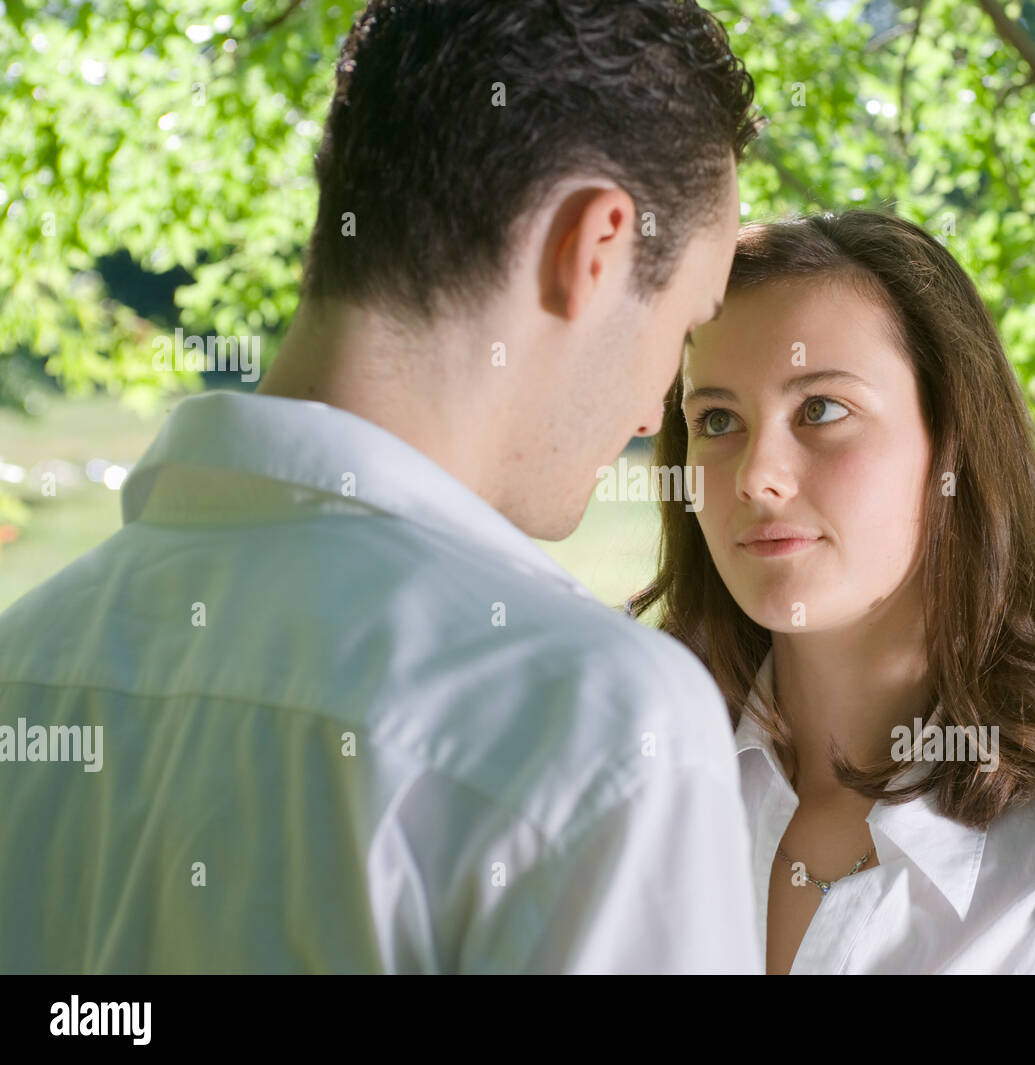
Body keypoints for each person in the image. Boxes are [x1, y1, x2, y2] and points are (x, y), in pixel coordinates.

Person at [0, 0, 765, 974]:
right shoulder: (599, 723)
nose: (655, 414)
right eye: (683, 326)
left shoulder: (25, 662)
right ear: (597, 247)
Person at [630, 209, 1035, 974]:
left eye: (821, 408)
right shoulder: (622, 791)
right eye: (716, 418)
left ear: (955, 447)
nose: (755, 475)